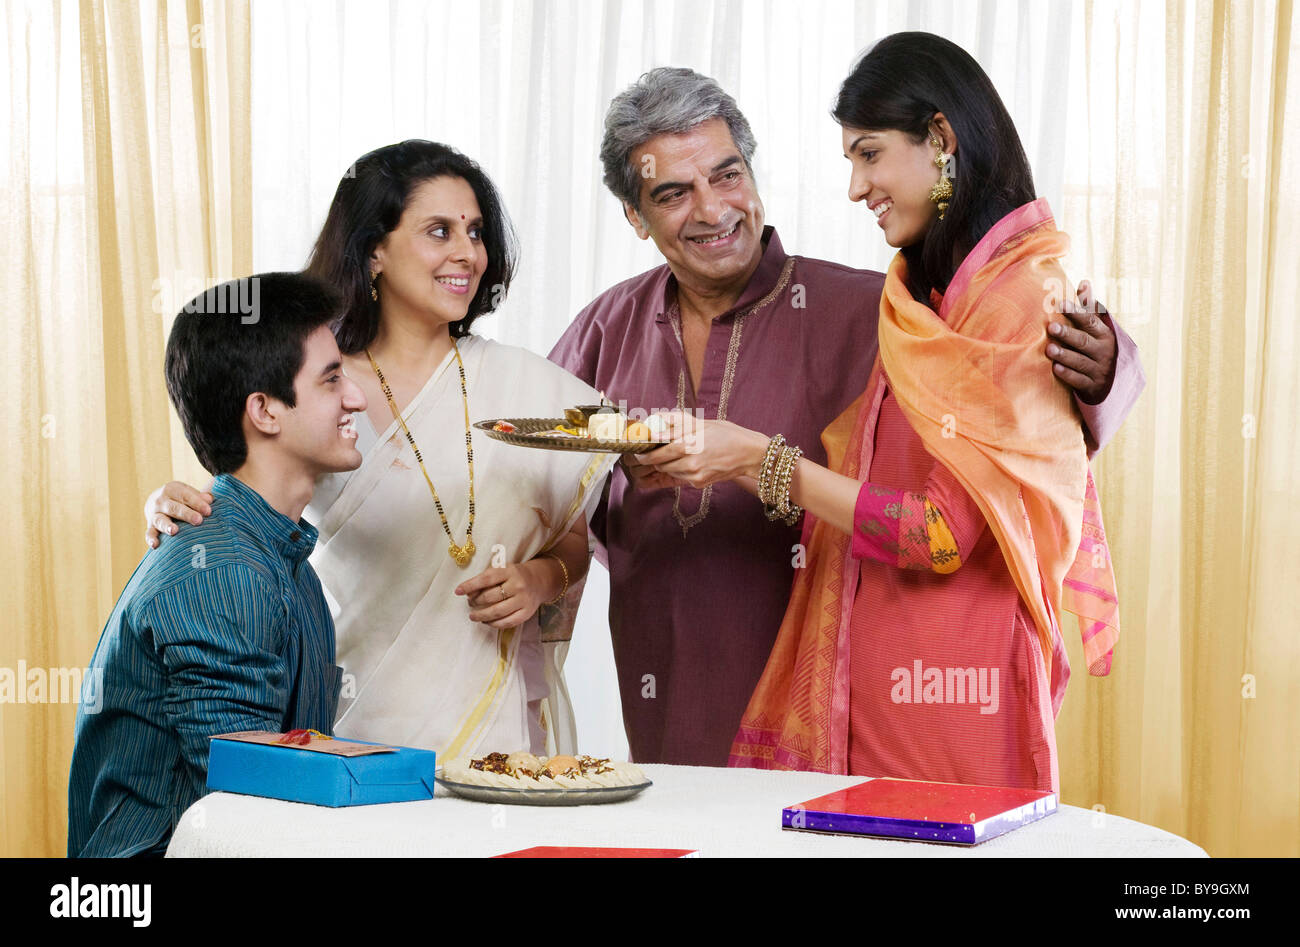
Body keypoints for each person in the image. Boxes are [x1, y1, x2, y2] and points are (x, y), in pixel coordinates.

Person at [548, 67, 1144, 766]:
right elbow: (540, 488)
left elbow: (1017, 394)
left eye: (727, 174)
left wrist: (1102, 368)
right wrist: (545, 570)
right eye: (673, 193)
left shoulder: (880, 313)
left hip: (839, 716)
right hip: (665, 705)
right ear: (633, 215)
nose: (712, 210)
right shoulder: (602, 330)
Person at [141, 142, 613, 756]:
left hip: (490, 729)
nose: (466, 253)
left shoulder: (529, 388)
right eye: (438, 231)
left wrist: (540, 577)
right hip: (345, 713)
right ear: (374, 252)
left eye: (475, 232)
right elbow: (250, 498)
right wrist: (170, 504)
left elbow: (576, 543)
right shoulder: (318, 385)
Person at [68, 273, 364, 857]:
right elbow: (242, 816)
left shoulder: (285, 563)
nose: (355, 397)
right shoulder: (226, 570)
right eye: (332, 380)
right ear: (265, 411)